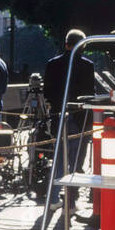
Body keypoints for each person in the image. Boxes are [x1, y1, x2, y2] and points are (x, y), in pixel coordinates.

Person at [44, 29, 97, 176]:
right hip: (80, 115)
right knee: (77, 155)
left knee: (59, 155)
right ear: (83, 46)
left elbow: (47, 92)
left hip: (58, 113)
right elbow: (89, 93)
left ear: (66, 44)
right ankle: (73, 191)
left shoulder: (52, 63)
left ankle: (55, 191)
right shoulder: (87, 65)